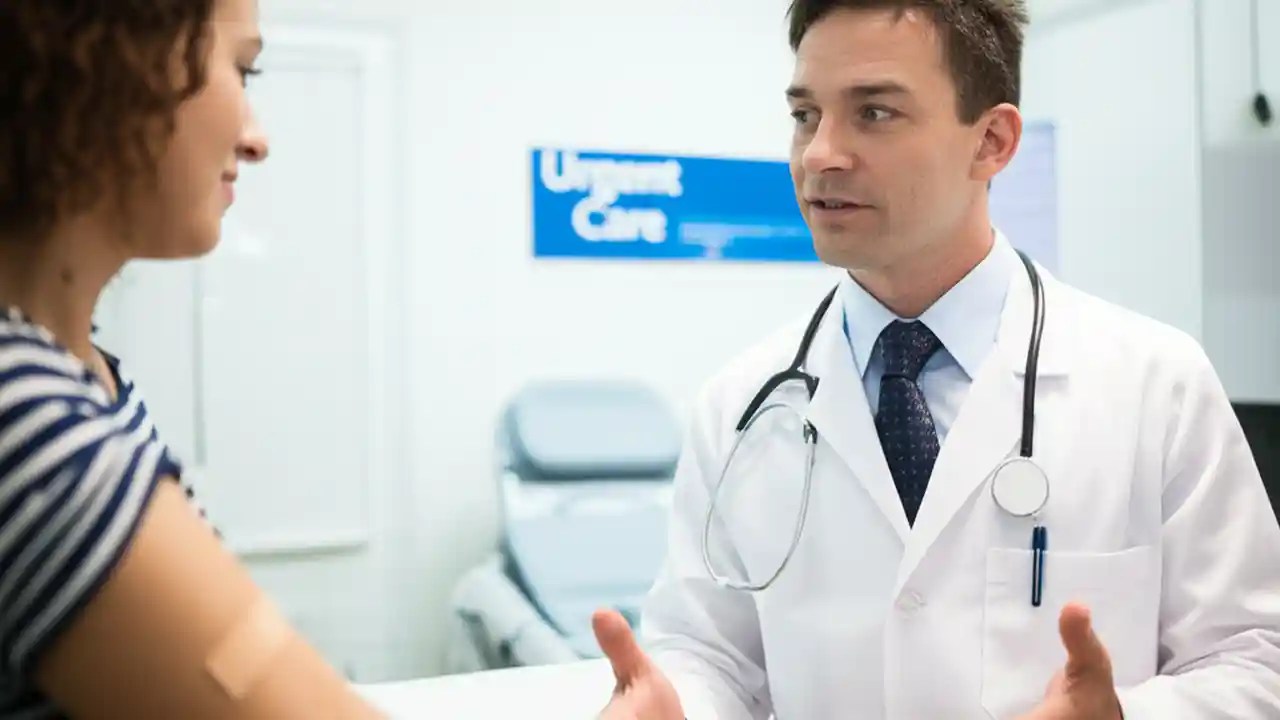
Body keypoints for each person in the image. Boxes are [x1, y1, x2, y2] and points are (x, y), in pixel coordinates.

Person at [593, 1, 1280, 718]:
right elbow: (710, 656)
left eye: (875, 113)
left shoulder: (1156, 386)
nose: (821, 153)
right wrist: (677, 705)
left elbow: (1254, 659)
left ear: (991, 141)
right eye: (805, 116)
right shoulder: (740, 406)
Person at [0, 1, 389, 717]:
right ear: (118, 62)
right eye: (242, 68)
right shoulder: (25, 426)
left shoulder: (94, 382)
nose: (257, 139)